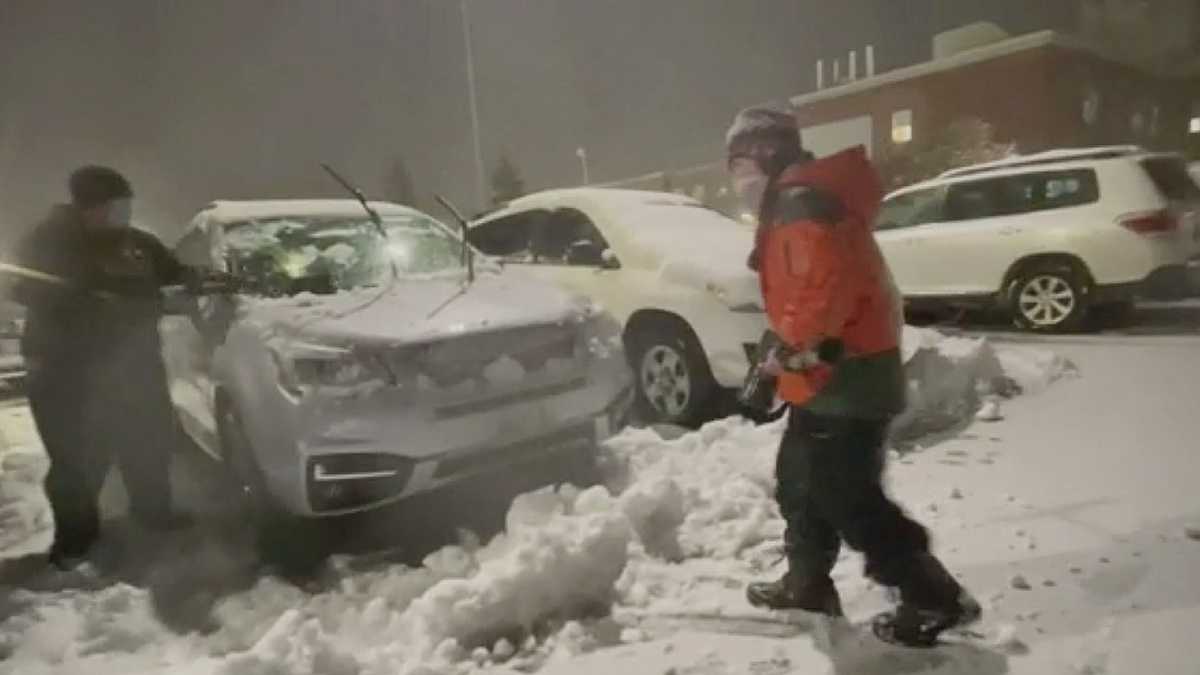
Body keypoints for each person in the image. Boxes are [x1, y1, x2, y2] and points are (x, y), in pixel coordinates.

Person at [725, 106, 980, 645]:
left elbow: (822, 302)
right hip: (828, 375)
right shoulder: (793, 203)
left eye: (742, 166)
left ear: (769, 158)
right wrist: (785, 353)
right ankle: (808, 583)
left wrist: (783, 359)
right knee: (800, 481)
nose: (738, 181)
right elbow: (805, 300)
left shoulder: (801, 207)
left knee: (849, 498)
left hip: (847, 378)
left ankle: (933, 596)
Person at [11, 166, 199, 569]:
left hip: (135, 366)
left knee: (148, 442)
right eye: (115, 207)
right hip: (66, 372)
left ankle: (153, 513)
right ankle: (76, 542)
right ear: (87, 208)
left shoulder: (139, 245)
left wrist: (197, 280)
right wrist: (126, 300)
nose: (124, 215)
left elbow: (173, 273)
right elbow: (32, 288)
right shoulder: (50, 242)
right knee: (79, 459)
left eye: (127, 206)